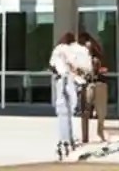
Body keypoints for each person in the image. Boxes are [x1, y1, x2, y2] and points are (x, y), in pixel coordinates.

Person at [49, 31, 88, 160]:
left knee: (63, 112)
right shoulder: (80, 50)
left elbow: (52, 66)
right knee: (74, 111)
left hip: (63, 80)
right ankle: (72, 140)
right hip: (74, 81)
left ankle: (65, 140)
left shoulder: (59, 49)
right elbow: (85, 69)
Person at [78, 32, 109, 146]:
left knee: (101, 112)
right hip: (87, 86)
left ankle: (100, 132)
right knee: (85, 111)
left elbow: (103, 70)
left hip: (99, 85)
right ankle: (84, 137)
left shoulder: (97, 59)